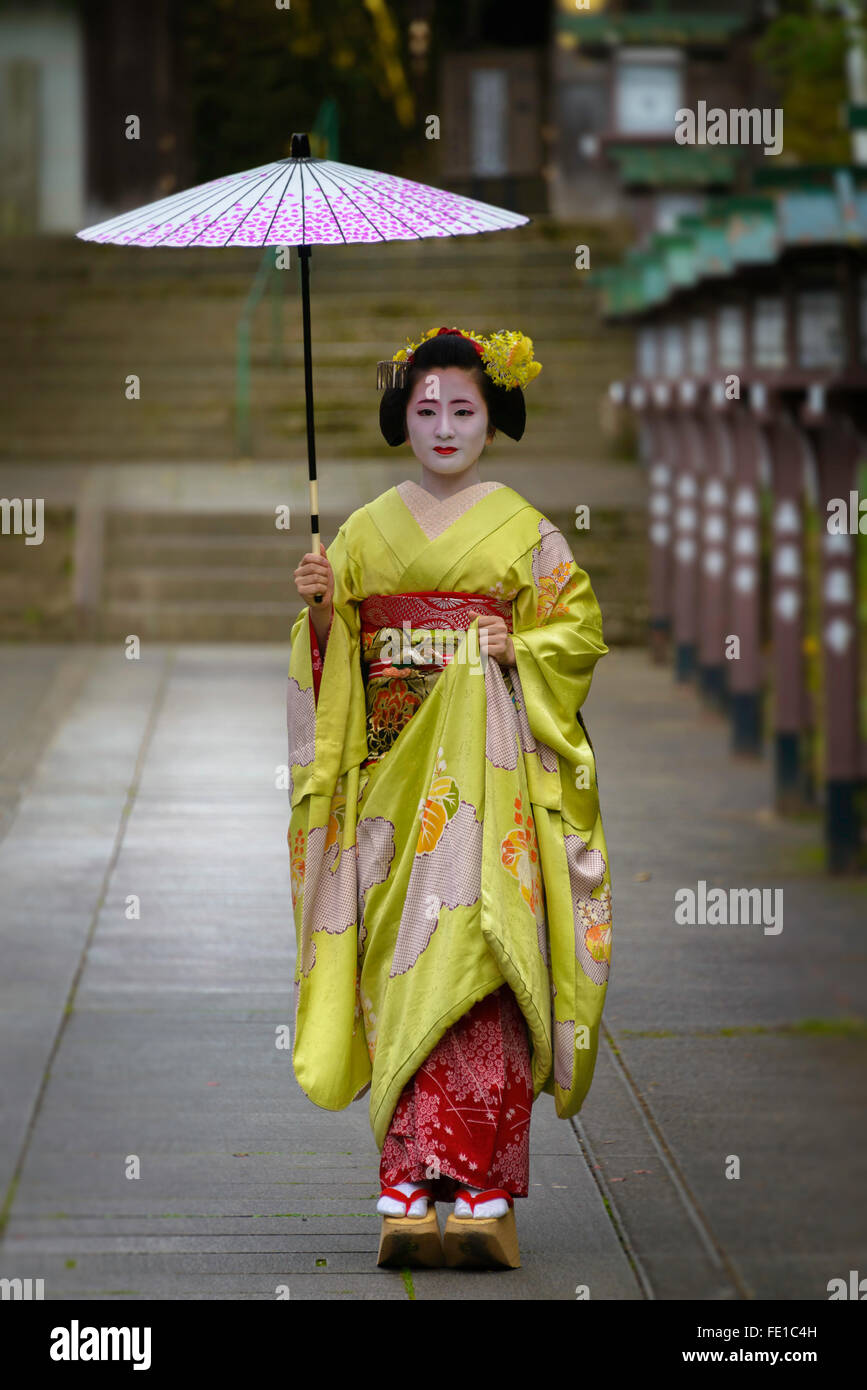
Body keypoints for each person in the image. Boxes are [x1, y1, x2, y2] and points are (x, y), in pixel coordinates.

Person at [287, 325, 613, 1269]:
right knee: (399, 967)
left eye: (461, 410)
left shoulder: (523, 528)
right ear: (402, 419)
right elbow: (331, 658)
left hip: (487, 784)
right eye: (425, 409)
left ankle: (478, 1194)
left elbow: (579, 633)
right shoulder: (360, 533)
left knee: (484, 960)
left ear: (490, 419)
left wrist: (524, 648)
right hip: (391, 786)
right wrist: (319, 612)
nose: (442, 426)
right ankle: (404, 1189)